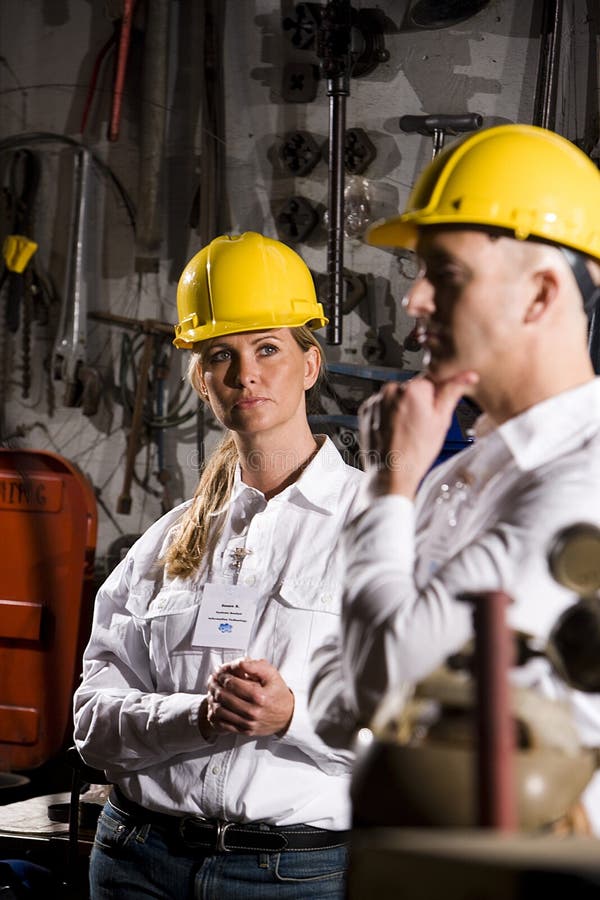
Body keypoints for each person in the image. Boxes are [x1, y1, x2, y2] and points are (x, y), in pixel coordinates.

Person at [308, 123, 600, 832]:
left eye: (446, 274)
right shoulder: (467, 469)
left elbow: (382, 686)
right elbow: (324, 684)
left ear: (539, 295)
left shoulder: (582, 483)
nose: (415, 302)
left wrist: (386, 486)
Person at [73, 231, 364, 899]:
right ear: (202, 382)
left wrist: (295, 717)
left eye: (268, 348)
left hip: (294, 875)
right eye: (220, 356)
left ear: (311, 365)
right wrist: (197, 719)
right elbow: (92, 725)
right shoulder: (164, 545)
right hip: (138, 860)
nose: (246, 374)